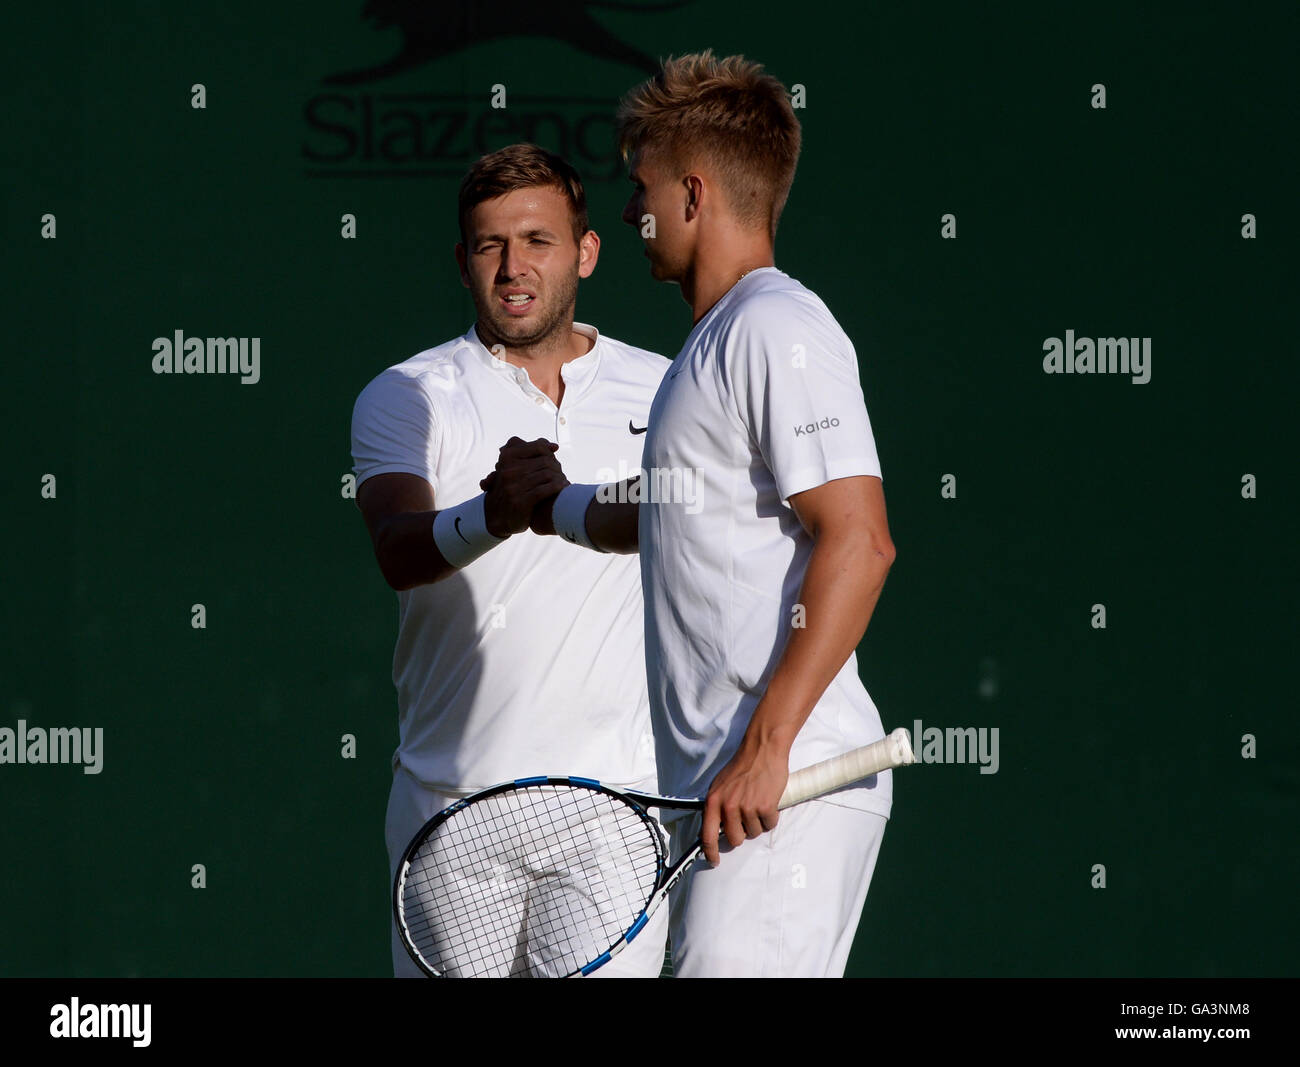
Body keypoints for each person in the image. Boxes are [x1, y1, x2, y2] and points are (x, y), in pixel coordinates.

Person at [492, 51, 898, 977]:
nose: (633, 213)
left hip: (785, 788)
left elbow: (861, 539)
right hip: (740, 797)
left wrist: (767, 748)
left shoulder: (774, 326)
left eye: (642, 189)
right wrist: (552, 505)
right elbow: (678, 512)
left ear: (693, 191)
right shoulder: (711, 350)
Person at [350, 143, 671, 977]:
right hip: (452, 811)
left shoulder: (669, 389)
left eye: (537, 240)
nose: (513, 267)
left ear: (587, 253)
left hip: (614, 811)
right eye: (490, 245)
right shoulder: (407, 392)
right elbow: (399, 548)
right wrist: (492, 517)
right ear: (463, 264)